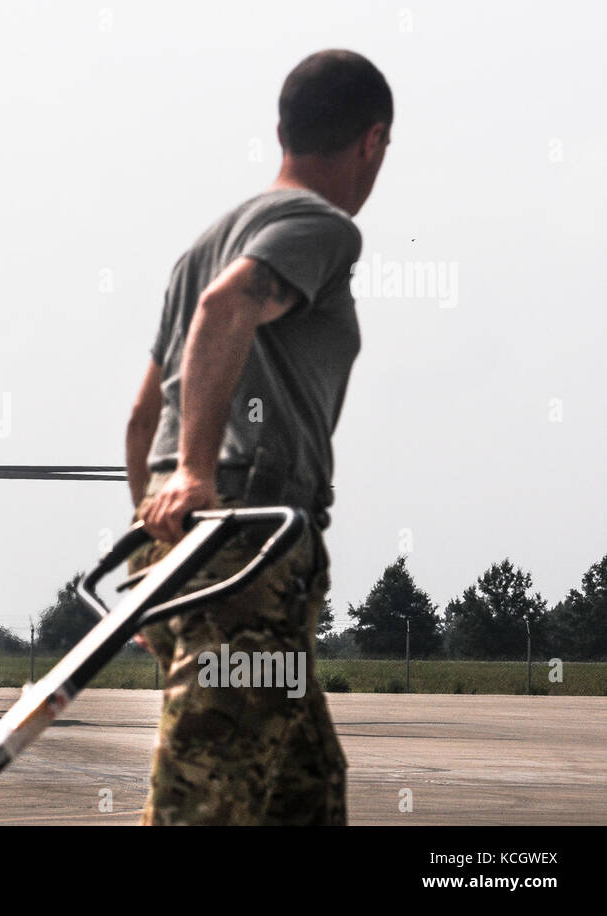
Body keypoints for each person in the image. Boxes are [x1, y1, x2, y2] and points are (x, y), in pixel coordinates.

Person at [124, 49, 392, 825]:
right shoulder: (318, 226)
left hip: (202, 539)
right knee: (208, 800)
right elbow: (227, 306)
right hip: (245, 543)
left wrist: (154, 549)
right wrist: (200, 477)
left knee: (302, 794)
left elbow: (144, 415)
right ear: (371, 142)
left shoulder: (202, 242)